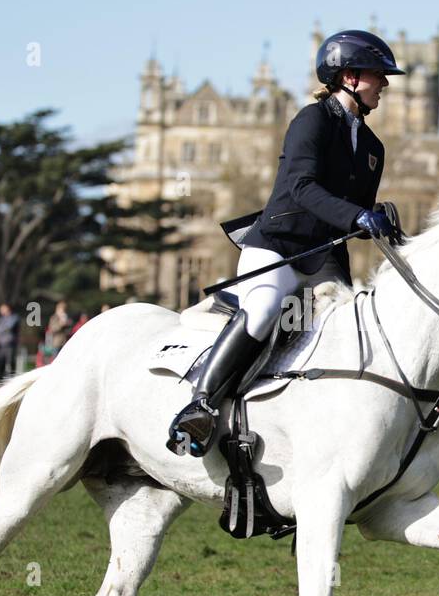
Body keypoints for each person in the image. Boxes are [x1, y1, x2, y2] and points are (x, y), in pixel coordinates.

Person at [167, 28, 404, 456]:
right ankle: (200, 405)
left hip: (326, 256)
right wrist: (356, 215)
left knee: (354, 325)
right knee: (263, 310)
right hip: (277, 247)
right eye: (377, 75)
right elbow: (302, 188)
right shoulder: (311, 119)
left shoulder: (372, 147)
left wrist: (379, 221)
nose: (384, 84)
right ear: (348, 77)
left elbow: (353, 216)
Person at [0, 302, 20, 382]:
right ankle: (0, 379)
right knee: (1, 363)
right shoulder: (2, 319)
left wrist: (1, 330)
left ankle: (12, 380)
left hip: (9, 345)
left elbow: (8, 327)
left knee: (10, 363)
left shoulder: (14, 317)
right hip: (1, 345)